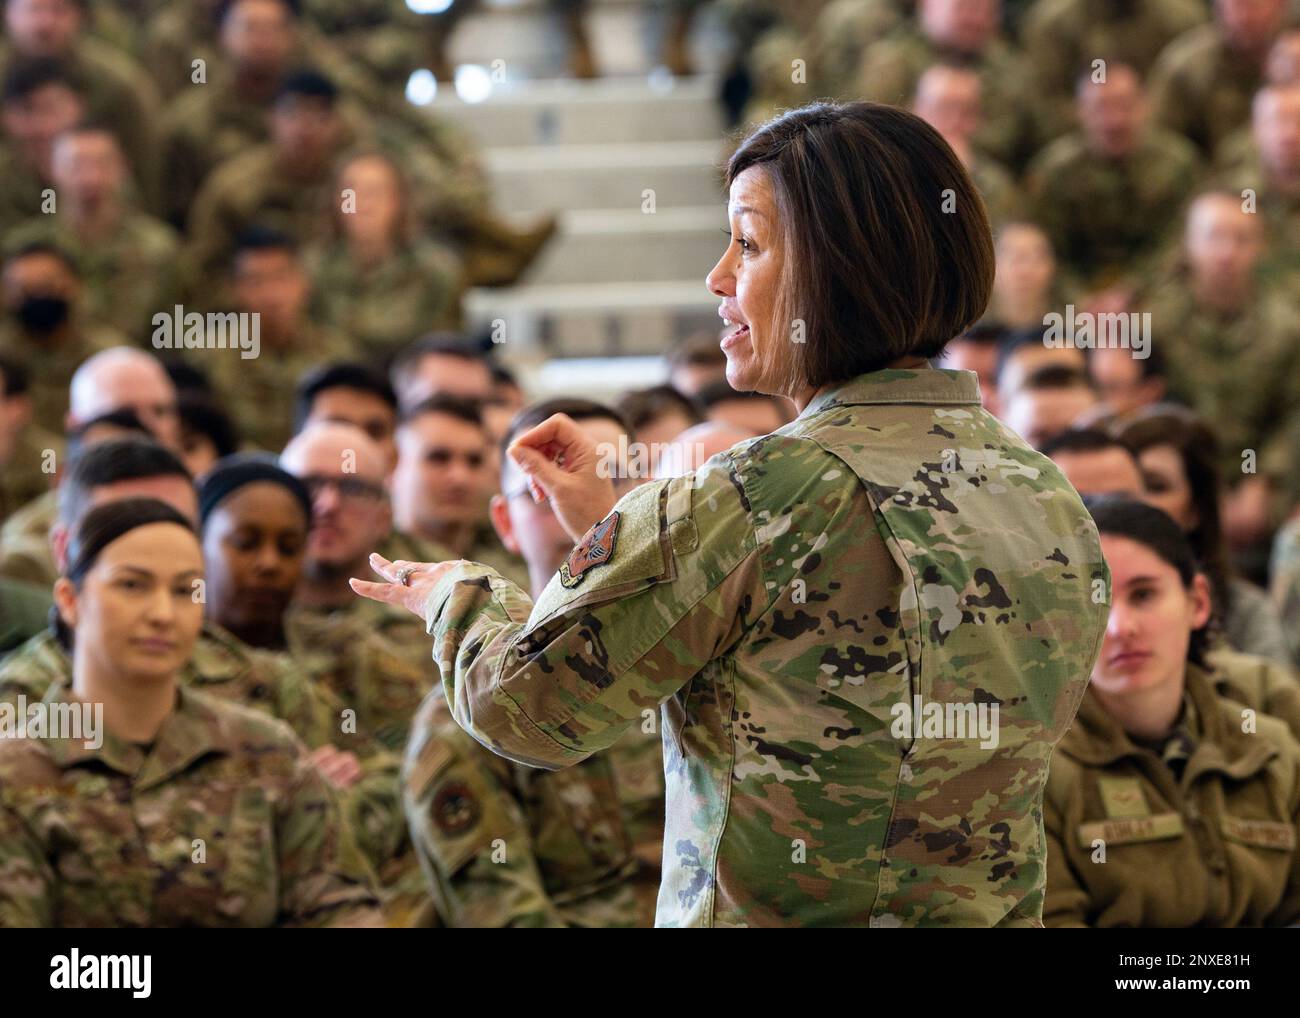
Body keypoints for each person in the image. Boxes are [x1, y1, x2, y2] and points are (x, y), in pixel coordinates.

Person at [354, 101, 1110, 927]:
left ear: (837, 267)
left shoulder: (757, 491)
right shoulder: (1045, 494)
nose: (717, 278)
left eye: (748, 244)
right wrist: (622, 532)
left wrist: (455, 595)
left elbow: (525, 709)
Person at [0, 496, 381, 927]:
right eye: (132, 585)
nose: (163, 614)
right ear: (70, 600)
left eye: (185, 590)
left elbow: (342, 910)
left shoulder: (268, 753)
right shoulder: (17, 774)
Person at [403, 397, 665, 927]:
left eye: (612, 479)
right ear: (505, 521)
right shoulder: (469, 714)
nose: (582, 501)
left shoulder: (700, 658)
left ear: (648, 494)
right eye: (547, 488)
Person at [1044, 496, 1300, 927]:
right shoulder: (1036, 774)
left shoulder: (1269, 749)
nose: (1120, 627)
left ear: (1197, 602)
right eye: (1094, 602)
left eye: (1143, 594)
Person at [196, 453, 429, 924]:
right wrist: (299, 791)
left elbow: (402, 784)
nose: (268, 563)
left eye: (288, 548)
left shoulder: (342, 651)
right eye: (245, 543)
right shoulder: (166, 665)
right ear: (198, 546)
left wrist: (325, 801)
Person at [1116, 409, 1291, 667]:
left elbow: (1276, 692)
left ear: (1196, 510)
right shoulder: (1074, 598)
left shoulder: (1245, 612)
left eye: (1156, 486)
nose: (1135, 502)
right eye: (1122, 487)